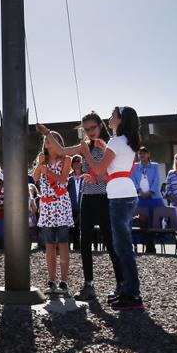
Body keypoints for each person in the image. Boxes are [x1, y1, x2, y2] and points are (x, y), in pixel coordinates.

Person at [75, 106, 143, 311]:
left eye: (113, 116)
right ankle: (127, 290)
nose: (109, 118)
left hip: (119, 195)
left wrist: (86, 152)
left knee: (122, 248)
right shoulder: (126, 142)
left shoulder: (116, 141)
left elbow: (98, 169)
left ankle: (132, 294)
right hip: (124, 193)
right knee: (121, 246)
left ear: (121, 120)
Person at [34, 127, 75, 296]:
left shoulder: (67, 159)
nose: (48, 141)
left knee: (63, 243)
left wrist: (48, 171)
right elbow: (35, 178)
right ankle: (51, 281)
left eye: (52, 138)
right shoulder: (41, 160)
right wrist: (40, 165)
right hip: (46, 206)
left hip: (61, 204)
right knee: (49, 244)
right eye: (47, 139)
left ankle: (64, 282)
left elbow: (64, 179)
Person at [129, 146, 163, 254]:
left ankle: (152, 245)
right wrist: (140, 192)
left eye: (144, 153)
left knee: (154, 222)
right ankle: (145, 245)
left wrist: (150, 192)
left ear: (148, 154)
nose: (142, 155)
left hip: (154, 198)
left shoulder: (155, 166)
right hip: (140, 199)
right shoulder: (134, 166)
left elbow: (157, 180)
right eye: (139, 153)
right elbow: (133, 180)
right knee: (141, 221)